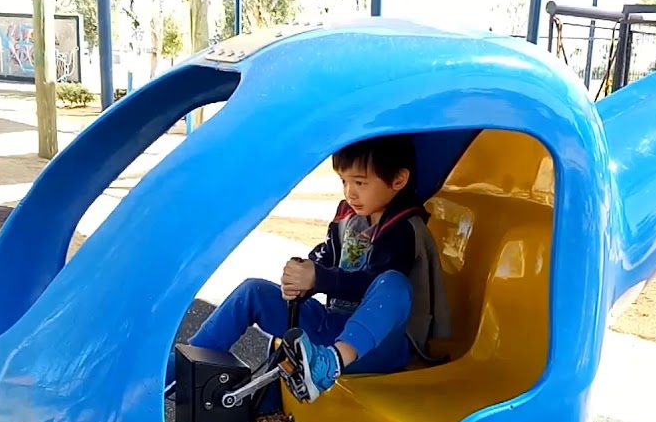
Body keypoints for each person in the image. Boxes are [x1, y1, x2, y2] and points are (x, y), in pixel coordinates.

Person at [168, 133, 451, 403]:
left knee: (393, 284)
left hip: (377, 346)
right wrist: (304, 272)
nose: (350, 192)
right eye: (344, 181)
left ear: (399, 179)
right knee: (253, 291)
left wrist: (319, 278)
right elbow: (326, 257)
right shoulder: (349, 219)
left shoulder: (405, 230)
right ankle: (187, 365)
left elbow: (369, 283)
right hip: (333, 325)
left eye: (361, 183)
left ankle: (330, 364)